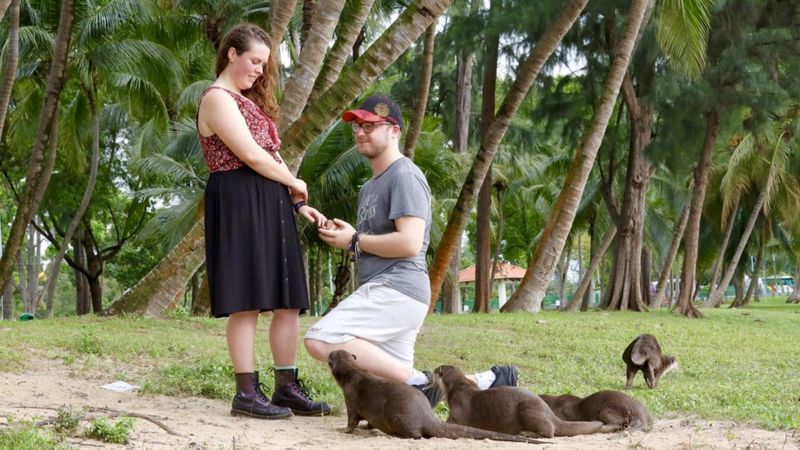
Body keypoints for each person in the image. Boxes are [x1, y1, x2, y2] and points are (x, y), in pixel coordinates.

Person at [304, 94, 519, 406]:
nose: (361, 132)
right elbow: (374, 242)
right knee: (398, 399)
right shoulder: (369, 187)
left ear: (395, 131)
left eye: (370, 126)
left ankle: (422, 381)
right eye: (357, 127)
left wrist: (355, 240)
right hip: (390, 291)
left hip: (397, 288)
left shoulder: (404, 174)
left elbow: (409, 243)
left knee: (320, 339)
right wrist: (347, 236)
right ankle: (491, 379)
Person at [196, 23, 330, 419]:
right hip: (238, 199)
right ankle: (246, 393)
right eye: (254, 61)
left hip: (271, 200)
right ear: (231, 54)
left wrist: (296, 201)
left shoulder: (247, 101)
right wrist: (295, 181)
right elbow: (251, 155)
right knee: (247, 302)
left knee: (288, 300)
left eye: (263, 64)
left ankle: (286, 387)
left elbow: (270, 155)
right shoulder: (216, 98)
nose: (259, 70)